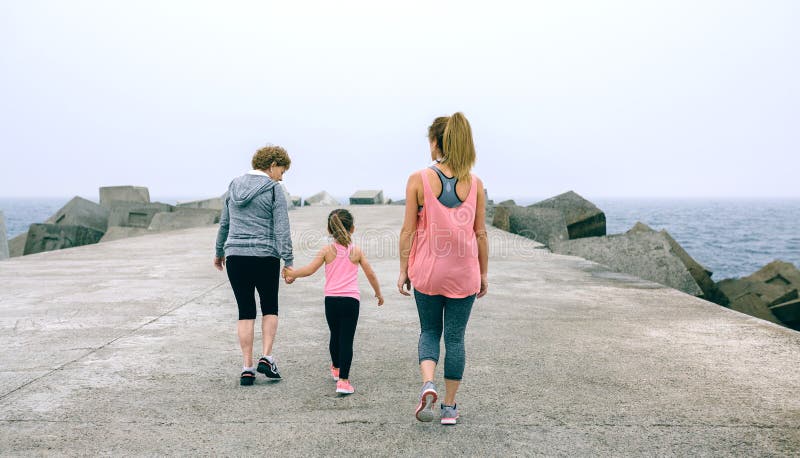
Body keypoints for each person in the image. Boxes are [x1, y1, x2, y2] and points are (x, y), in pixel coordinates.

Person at [398, 112, 489, 425]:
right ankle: (449, 408)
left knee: (429, 331)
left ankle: (428, 383)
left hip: (427, 270)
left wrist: (403, 269)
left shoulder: (418, 179)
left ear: (437, 141)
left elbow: (408, 230)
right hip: (464, 273)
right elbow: (480, 233)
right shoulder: (475, 184)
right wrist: (484, 274)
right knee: (455, 339)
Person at [214, 145, 294, 386]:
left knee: (245, 311)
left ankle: (247, 367)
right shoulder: (273, 189)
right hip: (265, 256)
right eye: (282, 169)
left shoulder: (234, 185)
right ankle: (267, 357)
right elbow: (282, 227)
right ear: (272, 165)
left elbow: (224, 223)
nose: (282, 175)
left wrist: (219, 251)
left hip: (236, 257)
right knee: (270, 306)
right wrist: (288, 260)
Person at [284, 209, 384, 395]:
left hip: (331, 300)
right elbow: (370, 273)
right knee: (346, 339)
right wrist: (378, 293)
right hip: (351, 301)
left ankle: (336, 369)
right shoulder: (355, 251)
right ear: (352, 228)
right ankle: (344, 382)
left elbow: (309, 270)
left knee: (334, 335)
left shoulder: (327, 250)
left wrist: (292, 274)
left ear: (329, 230)